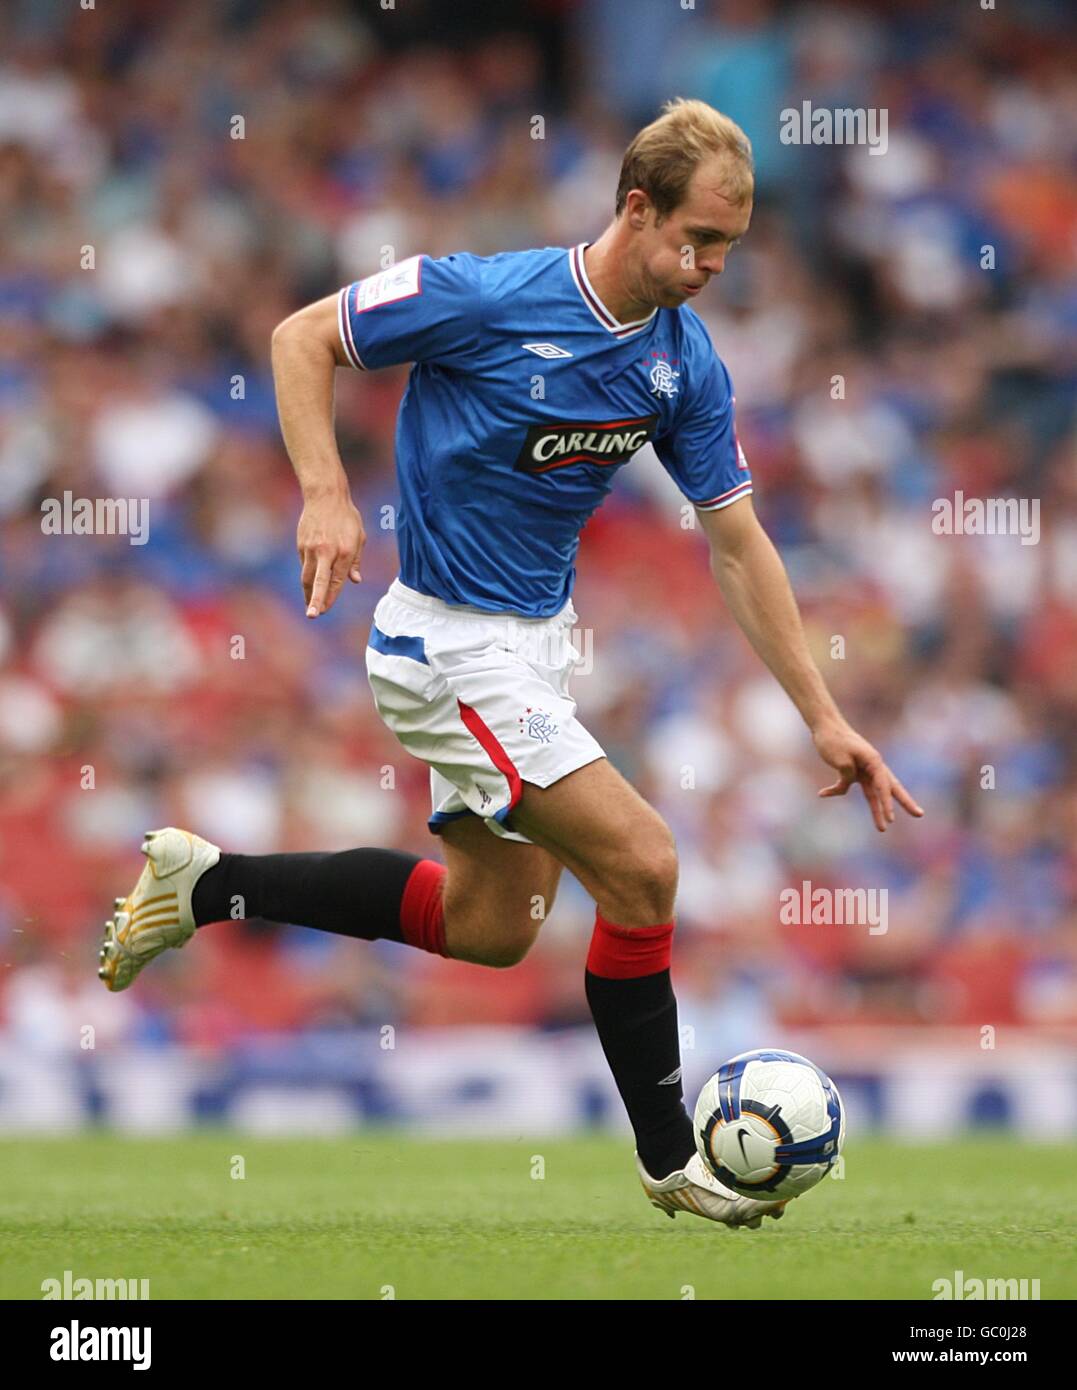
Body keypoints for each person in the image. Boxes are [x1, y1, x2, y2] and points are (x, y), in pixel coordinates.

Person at [99, 98, 922, 1228]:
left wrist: (824, 716)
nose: (714, 266)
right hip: (444, 640)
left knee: (490, 928)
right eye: (698, 239)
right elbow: (303, 339)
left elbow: (737, 541)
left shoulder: (683, 366)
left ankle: (207, 882)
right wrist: (327, 493)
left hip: (532, 649)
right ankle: (670, 1154)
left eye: (730, 247)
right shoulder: (486, 297)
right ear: (636, 208)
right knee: (644, 866)